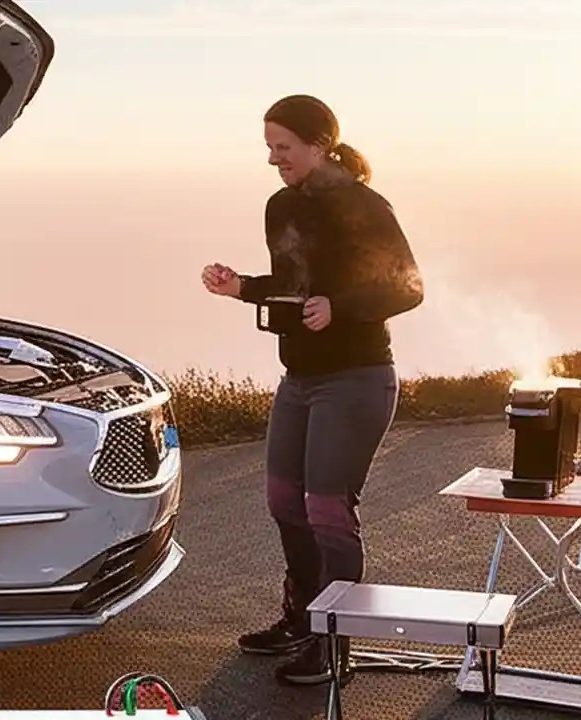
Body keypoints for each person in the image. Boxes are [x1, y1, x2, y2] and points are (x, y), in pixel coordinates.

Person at [201, 94, 423, 686]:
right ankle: (301, 619)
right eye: (270, 149)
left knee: (327, 509)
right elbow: (293, 284)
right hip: (298, 379)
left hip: (356, 380)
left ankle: (335, 645)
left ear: (319, 145)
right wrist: (240, 286)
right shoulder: (279, 207)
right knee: (282, 499)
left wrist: (341, 308)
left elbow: (408, 287)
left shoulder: (366, 206)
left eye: (284, 148)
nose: (275, 160)